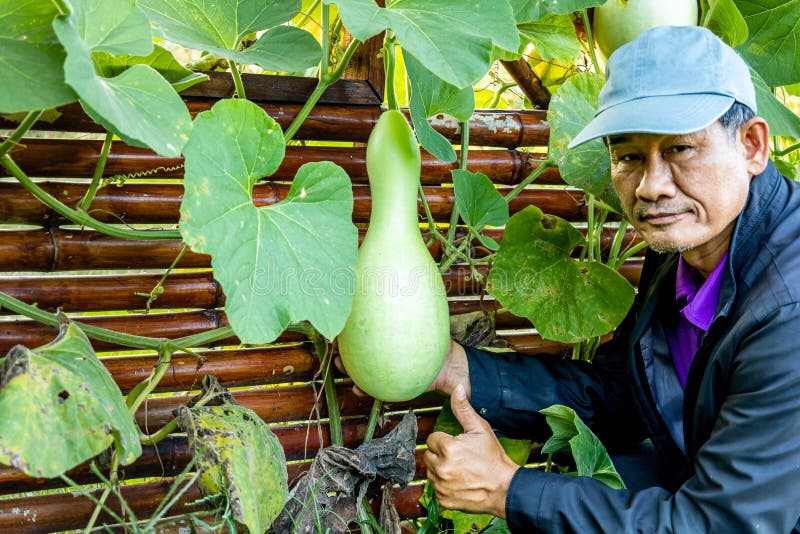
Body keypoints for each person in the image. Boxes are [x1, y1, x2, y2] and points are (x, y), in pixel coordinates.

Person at [422, 25, 800, 533]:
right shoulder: (690, 243)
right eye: (628, 156)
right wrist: (463, 371)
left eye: (681, 149)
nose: (651, 186)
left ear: (753, 146)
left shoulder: (787, 309)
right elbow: (621, 394)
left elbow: (723, 524)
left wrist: (508, 491)